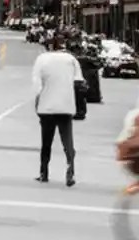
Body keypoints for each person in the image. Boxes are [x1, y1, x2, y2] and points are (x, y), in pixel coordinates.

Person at [31, 34, 82, 186]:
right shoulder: (71, 59)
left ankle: (44, 172)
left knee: (46, 142)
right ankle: (70, 170)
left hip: (46, 107)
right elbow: (79, 81)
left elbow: (36, 86)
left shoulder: (41, 60)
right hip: (66, 106)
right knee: (67, 142)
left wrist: (37, 103)